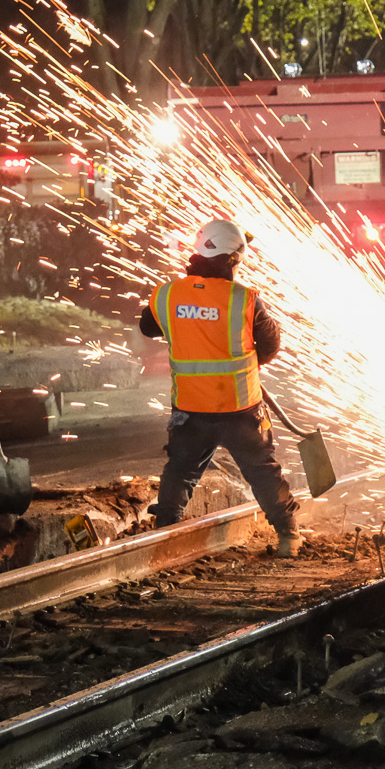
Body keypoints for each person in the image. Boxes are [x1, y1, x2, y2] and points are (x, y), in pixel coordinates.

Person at [138, 219, 303, 557]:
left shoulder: (168, 294)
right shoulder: (245, 299)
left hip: (190, 411)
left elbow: (148, 327)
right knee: (262, 471)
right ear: (230, 261)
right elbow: (270, 347)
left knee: (180, 471)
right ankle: (288, 536)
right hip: (240, 408)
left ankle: (164, 533)